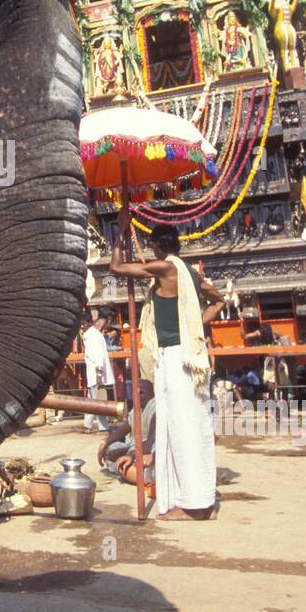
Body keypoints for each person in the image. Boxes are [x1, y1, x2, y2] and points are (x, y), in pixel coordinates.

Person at [110, 214, 223, 521]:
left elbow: (116, 268)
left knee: (181, 427)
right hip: (189, 356)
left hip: (176, 357)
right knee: (192, 425)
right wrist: (194, 324)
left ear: (158, 248)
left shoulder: (166, 267)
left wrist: (120, 235)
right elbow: (219, 301)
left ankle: (195, 507)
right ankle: (201, 502)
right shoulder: (190, 274)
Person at [81, 308, 116, 433]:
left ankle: (88, 426)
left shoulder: (92, 334)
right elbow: (97, 357)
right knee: (98, 401)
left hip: (95, 372)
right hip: (96, 373)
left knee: (93, 400)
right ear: (105, 320)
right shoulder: (94, 335)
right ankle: (103, 427)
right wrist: (99, 374)